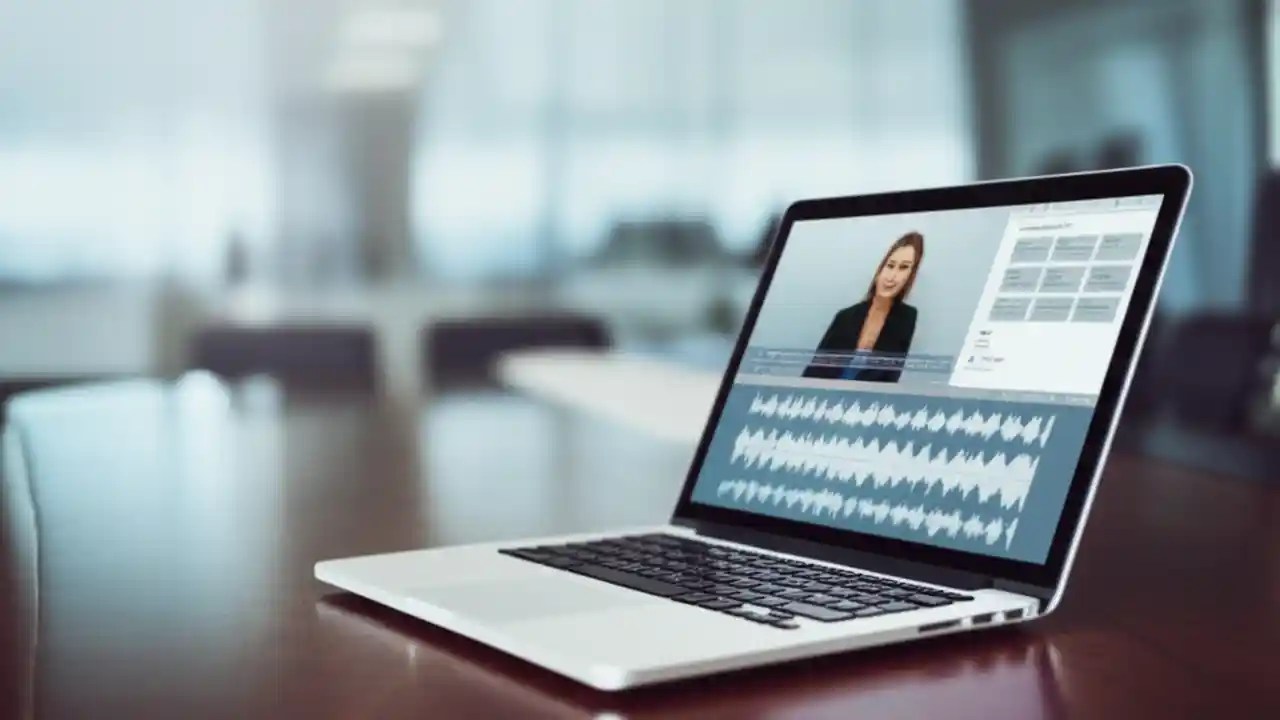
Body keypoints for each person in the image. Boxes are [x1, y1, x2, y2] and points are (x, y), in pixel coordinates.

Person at [802, 232, 924, 382]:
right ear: (881, 268)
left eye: (903, 268)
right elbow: (813, 372)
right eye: (890, 265)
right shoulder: (844, 317)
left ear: (911, 276)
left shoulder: (907, 318)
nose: (892, 277)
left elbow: (890, 377)